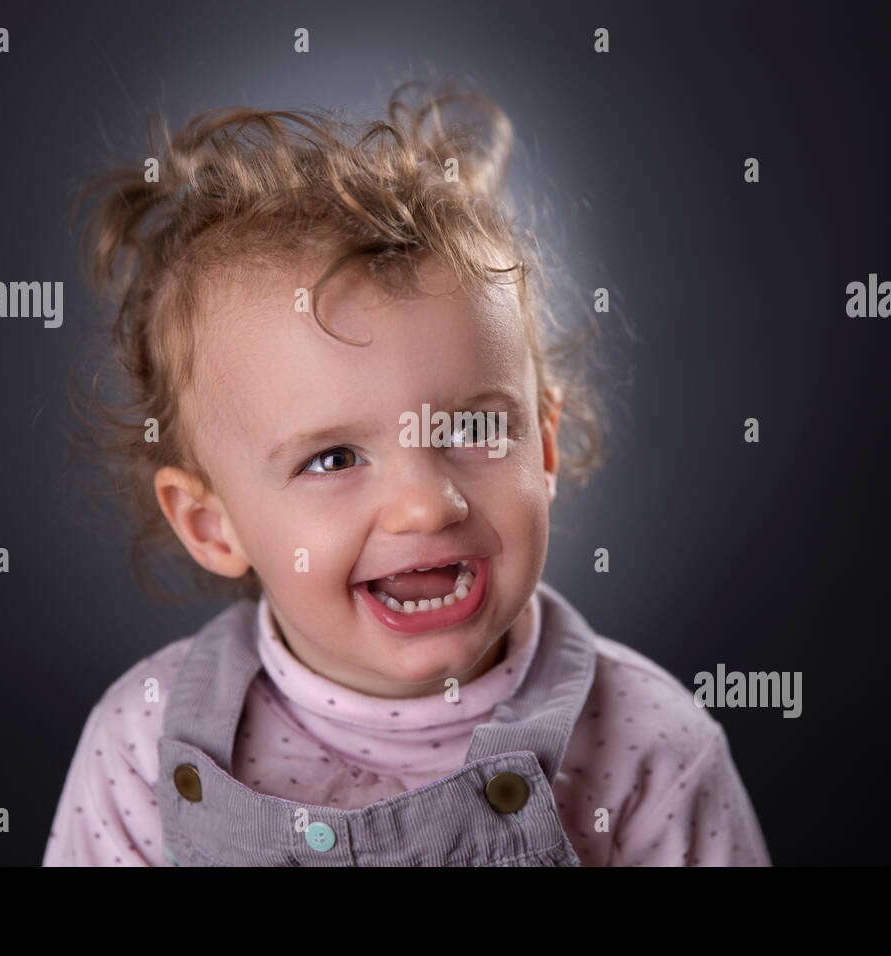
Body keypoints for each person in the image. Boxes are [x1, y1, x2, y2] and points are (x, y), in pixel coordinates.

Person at [43, 78, 770, 867]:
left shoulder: (650, 752)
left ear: (546, 446)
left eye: (474, 428)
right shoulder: (142, 749)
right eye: (334, 458)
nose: (426, 505)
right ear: (211, 524)